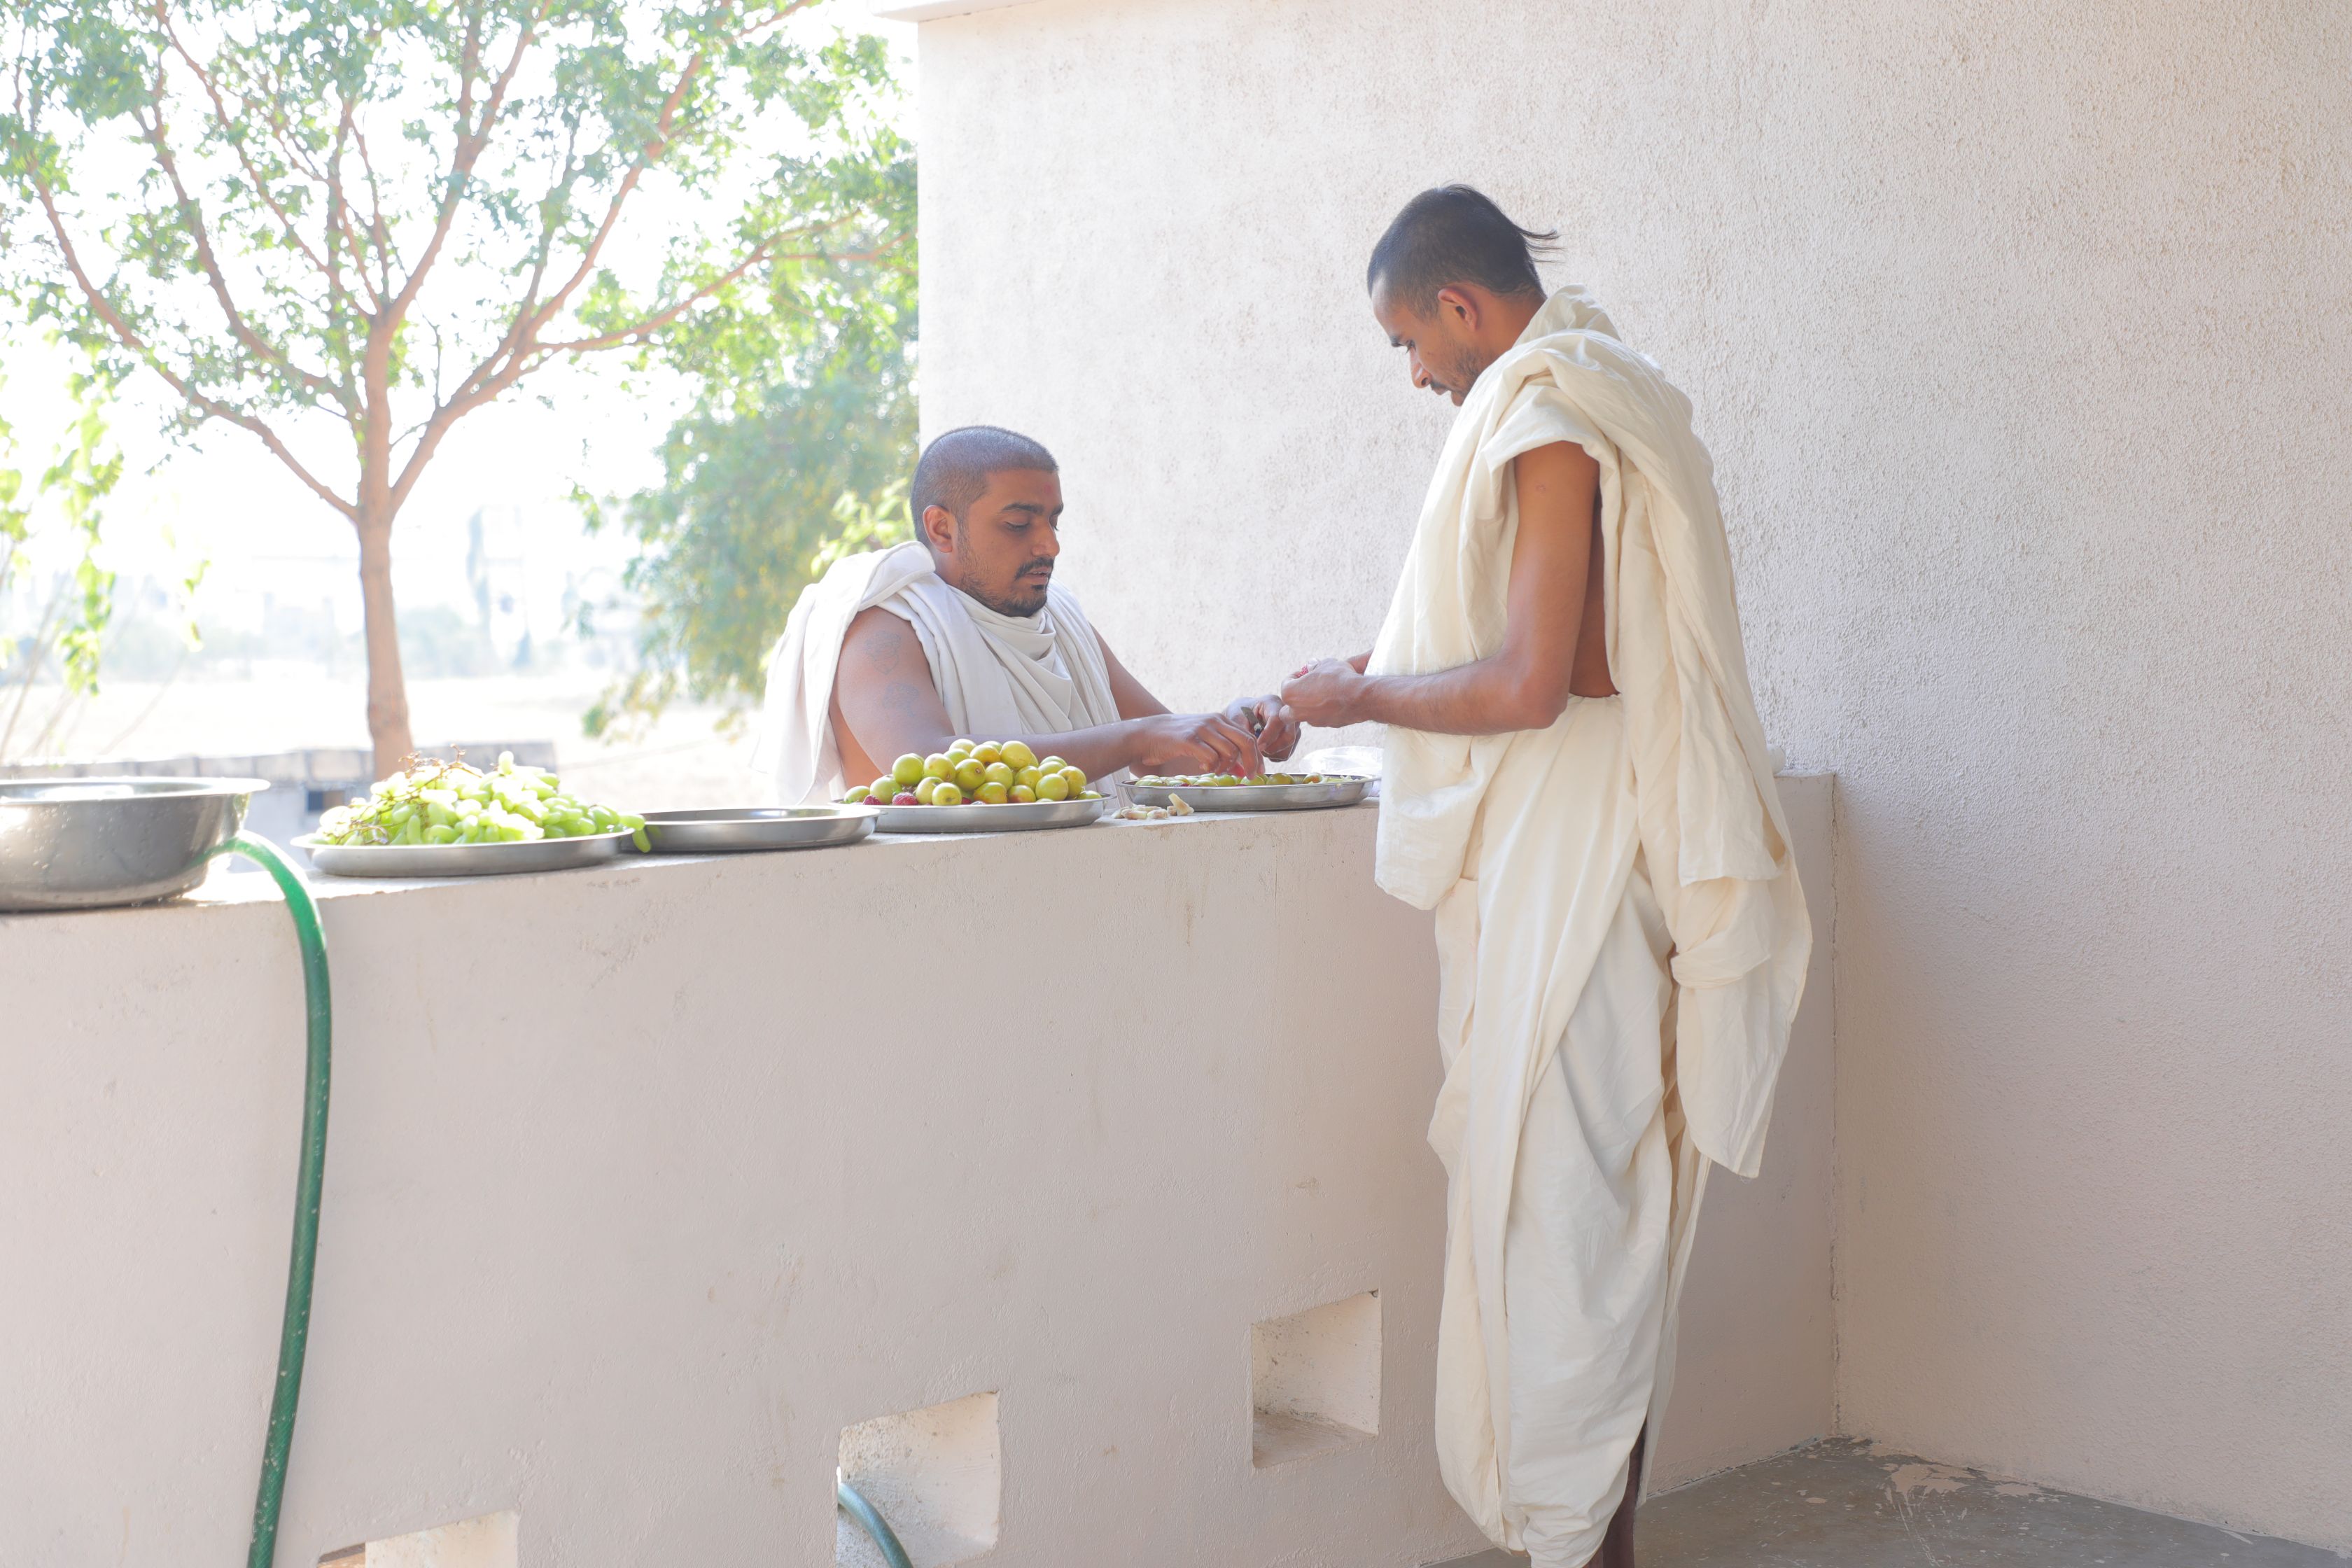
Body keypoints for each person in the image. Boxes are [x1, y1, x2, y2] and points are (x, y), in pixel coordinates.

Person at [1281, 187, 1809, 1568]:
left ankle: (1584, 1543)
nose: (1417, 376)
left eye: (1412, 341)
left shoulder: (1551, 416)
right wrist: (1382, 676)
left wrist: (1361, 697)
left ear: (1463, 306)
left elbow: (1534, 684)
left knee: (1570, 1225)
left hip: (1577, 858)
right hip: (1600, 843)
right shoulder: (1612, 393)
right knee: (1596, 1218)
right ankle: (1593, 1539)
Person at [755, 425, 1295, 803]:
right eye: (1019, 524)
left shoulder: (1060, 617)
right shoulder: (886, 628)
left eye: (1054, 522)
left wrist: (1235, 729)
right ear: (942, 528)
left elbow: (1168, 753)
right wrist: (1138, 738)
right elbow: (927, 767)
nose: (1049, 546)